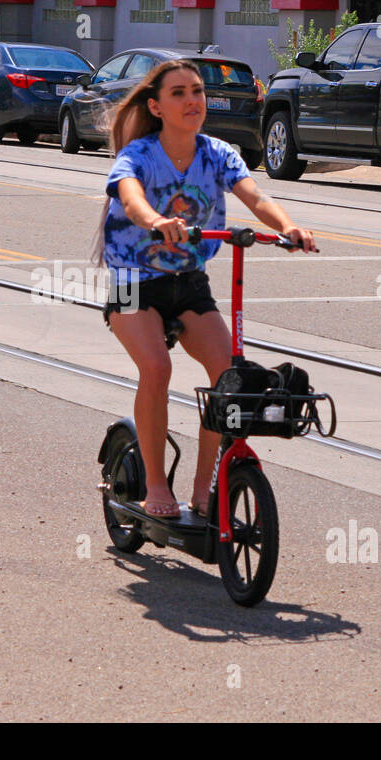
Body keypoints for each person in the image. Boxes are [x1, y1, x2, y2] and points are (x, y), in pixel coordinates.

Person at [97, 59, 318, 519]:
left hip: (188, 282)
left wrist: (289, 228)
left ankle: (204, 489)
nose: (191, 100)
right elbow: (132, 198)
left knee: (227, 374)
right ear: (156, 106)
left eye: (196, 91)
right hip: (133, 283)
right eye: (178, 93)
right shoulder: (137, 155)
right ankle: (155, 487)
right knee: (156, 368)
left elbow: (255, 196)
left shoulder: (217, 152)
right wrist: (157, 221)